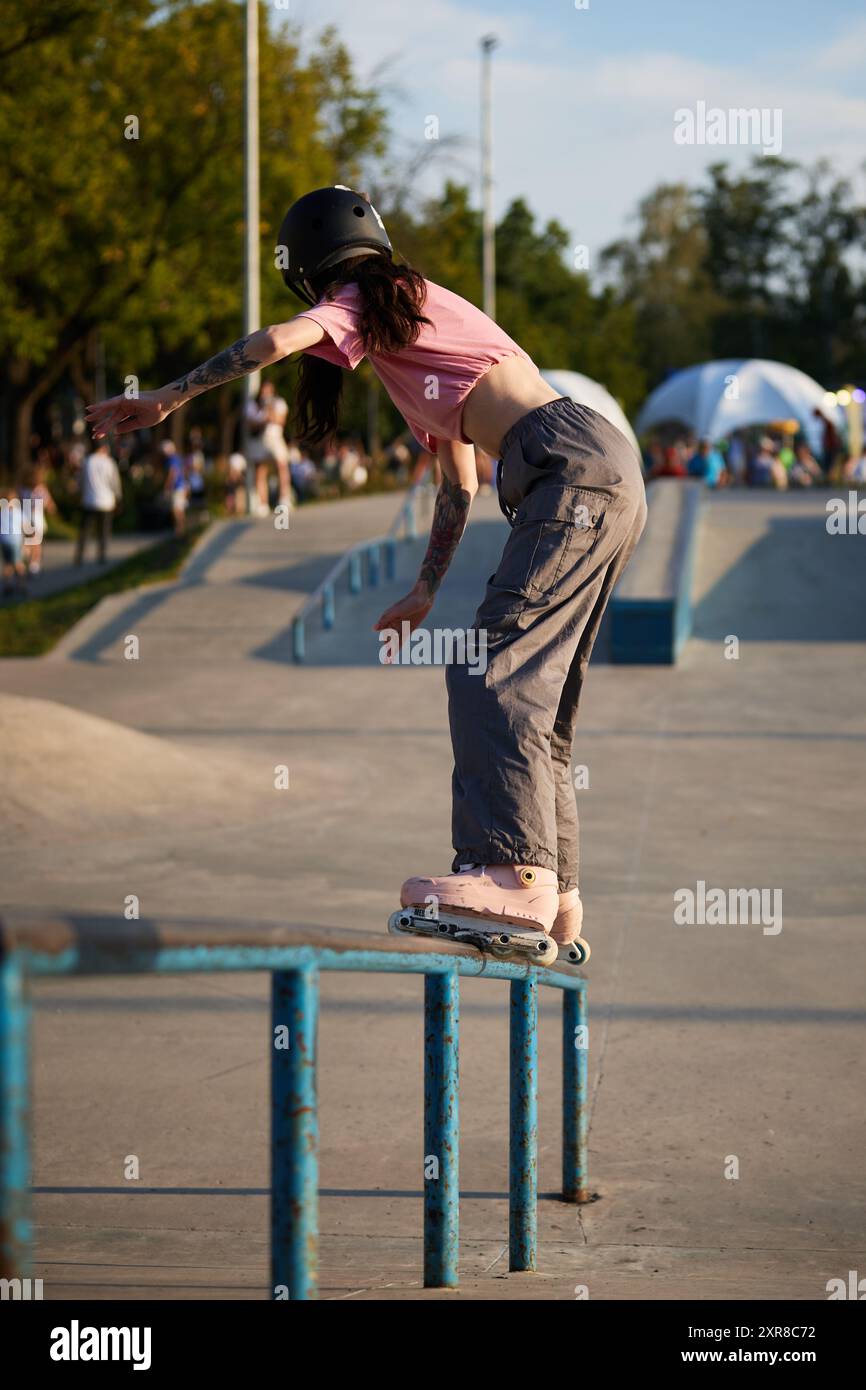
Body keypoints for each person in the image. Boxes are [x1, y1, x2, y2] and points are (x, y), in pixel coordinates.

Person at [85, 185, 647, 966]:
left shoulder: (362, 298)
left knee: (490, 669)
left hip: (565, 466)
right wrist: (424, 588)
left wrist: (169, 398)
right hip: (595, 465)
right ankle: (558, 902)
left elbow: (275, 342)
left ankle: (514, 878)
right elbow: (458, 486)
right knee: (540, 706)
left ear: (313, 273)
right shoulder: (411, 322)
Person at [75, 439, 122, 563]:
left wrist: (80, 495)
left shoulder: (87, 461)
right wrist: (118, 498)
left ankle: (79, 555)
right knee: (103, 530)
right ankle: (101, 555)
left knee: (85, 530)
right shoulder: (109, 462)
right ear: (104, 448)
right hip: (106, 501)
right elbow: (115, 482)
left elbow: (80, 481)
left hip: (89, 500)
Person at [0, 484, 28, 597]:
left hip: (4, 541)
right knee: (19, 564)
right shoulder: (17, 512)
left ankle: (7, 586)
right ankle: (21, 585)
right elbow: (25, 526)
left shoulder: (2, 512)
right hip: (14, 541)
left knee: (7, 564)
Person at [161, 439, 188, 535]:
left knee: (176, 509)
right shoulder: (178, 458)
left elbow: (172, 473)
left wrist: (167, 486)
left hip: (177, 487)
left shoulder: (172, 459)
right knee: (180, 509)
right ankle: (181, 528)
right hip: (181, 486)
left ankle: (179, 529)